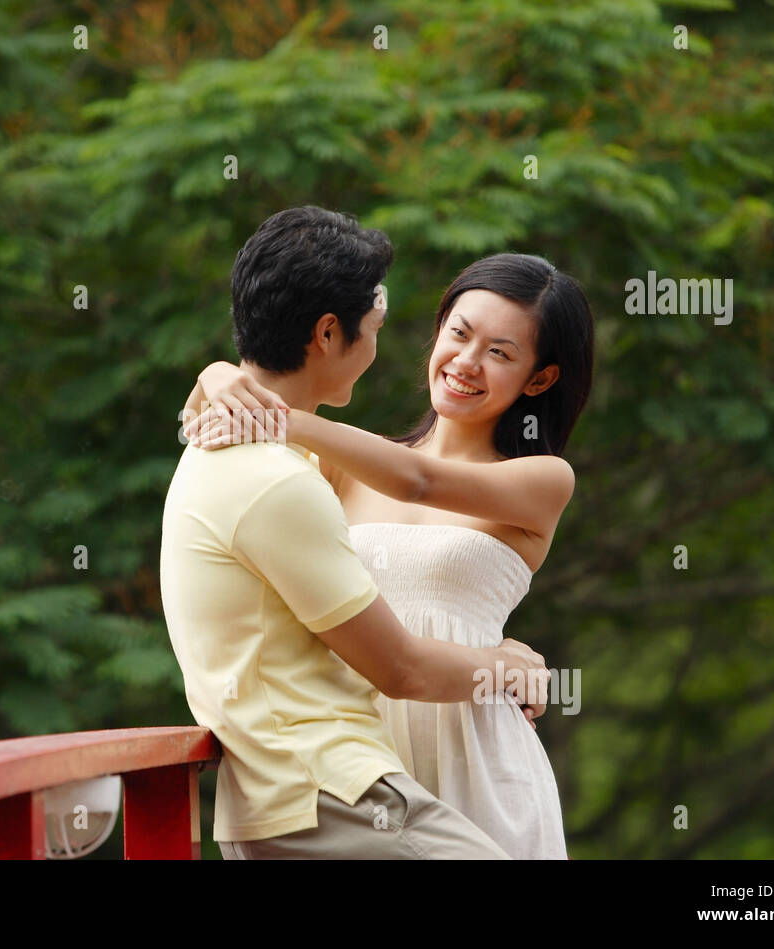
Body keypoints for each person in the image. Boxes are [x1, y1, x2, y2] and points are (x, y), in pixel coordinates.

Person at [160, 207, 549, 859]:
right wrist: (501, 664)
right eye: (372, 331)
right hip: (333, 786)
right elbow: (399, 665)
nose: (376, 349)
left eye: (501, 351)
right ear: (328, 332)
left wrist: (237, 387)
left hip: (342, 781)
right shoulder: (281, 478)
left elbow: (416, 478)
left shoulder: (271, 461)